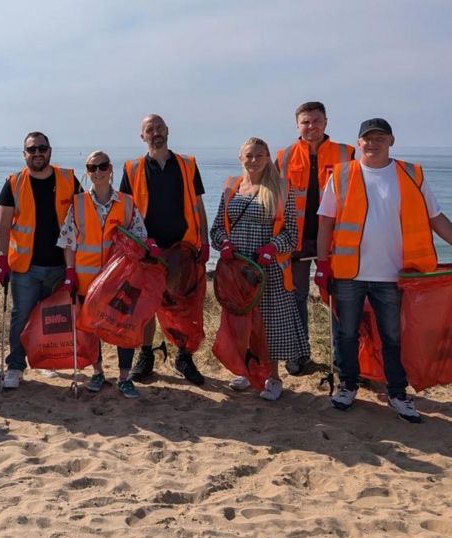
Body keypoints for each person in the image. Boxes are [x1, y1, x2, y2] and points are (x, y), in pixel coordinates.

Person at [316, 118, 452, 423]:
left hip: (394, 276)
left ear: (391, 141)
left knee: (393, 337)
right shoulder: (342, 174)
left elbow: (436, 218)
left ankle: (397, 393)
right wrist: (323, 265)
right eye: (367, 138)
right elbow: (326, 223)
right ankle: (348, 386)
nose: (373, 143)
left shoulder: (411, 174)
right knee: (347, 334)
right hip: (349, 274)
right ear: (358, 142)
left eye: (380, 138)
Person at [211, 137, 307, 400]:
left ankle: (273, 378)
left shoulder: (282, 188)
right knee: (241, 323)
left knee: (269, 325)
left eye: (259, 155)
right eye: (249, 155)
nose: (253, 160)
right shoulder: (231, 186)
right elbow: (217, 227)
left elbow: (292, 234)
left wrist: (272, 248)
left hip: (269, 270)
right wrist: (224, 243)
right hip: (237, 270)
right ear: (240, 158)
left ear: (267, 158)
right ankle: (245, 371)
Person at [120, 114, 209, 386]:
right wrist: (135, 246)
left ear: (167, 130)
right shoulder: (132, 168)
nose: (155, 132)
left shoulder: (187, 164)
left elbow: (198, 206)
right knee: (146, 307)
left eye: (159, 127)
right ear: (142, 136)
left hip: (183, 249)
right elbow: (126, 211)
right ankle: (146, 356)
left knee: (185, 308)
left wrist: (204, 242)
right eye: (150, 129)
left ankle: (184, 357)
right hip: (147, 250)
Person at [58, 151, 149, 398]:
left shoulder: (127, 202)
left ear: (110, 170)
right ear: (87, 173)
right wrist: (69, 272)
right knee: (90, 328)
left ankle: (124, 378)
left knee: (123, 327)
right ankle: (97, 372)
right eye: (92, 167)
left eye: (102, 166)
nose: (97, 171)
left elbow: (140, 236)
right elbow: (68, 241)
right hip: (86, 279)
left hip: (120, 280)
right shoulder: (77, 203)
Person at [0, 132, 82, 389]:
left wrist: (74, 266)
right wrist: (1, 261)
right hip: (24, 267)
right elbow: (2, 226)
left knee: (53, 318)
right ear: (24, 154)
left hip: (59, 265)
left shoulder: (68, 179)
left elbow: (82, 219)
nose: (37, 153)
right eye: (31, 150)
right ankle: (15, 367)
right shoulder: (13, 183)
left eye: (42, 148)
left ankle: (48, 361)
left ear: (50, 151)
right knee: (20, 316)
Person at [276, 102, 355, 375]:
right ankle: (299, 355)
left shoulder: (346, 153)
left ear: (326, 122)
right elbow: (274, 198)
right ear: (297, 125)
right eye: (306, 122)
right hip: (295, 241)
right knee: (296, 298)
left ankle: (342, 362)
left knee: (337, 300)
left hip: (334, 241)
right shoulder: (284, 156)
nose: (312, 126)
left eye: (317, 121)